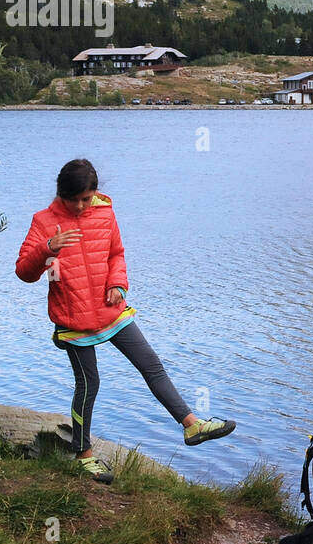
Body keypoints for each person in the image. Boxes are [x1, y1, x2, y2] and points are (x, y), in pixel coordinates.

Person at [15, 159, 234, 484]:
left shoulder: (104, 213)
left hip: (111, 312)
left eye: (85, 199)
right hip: (73, 321)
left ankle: (191, 425)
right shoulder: (44, 221)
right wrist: (48, 248)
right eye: (72, 199)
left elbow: (116, 254)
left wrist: (118, 285)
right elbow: (23, 272)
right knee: (89, 385)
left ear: (94, 193)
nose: (79, 205)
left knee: (151, 364)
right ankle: (83, 455)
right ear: (60, 193)